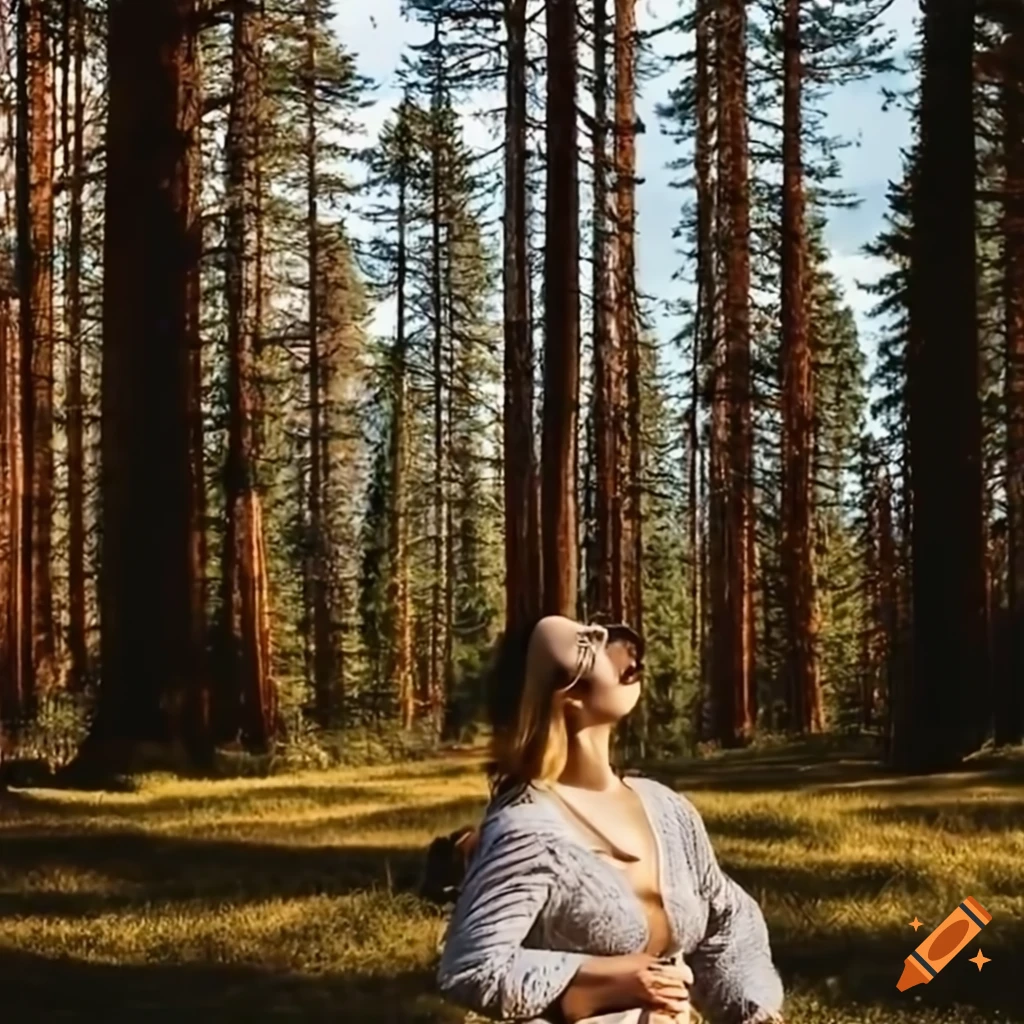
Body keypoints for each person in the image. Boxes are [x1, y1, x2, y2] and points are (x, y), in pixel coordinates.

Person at [437, 615, 785, 1024]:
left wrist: (753, 1010)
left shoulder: (668, 809)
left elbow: (727, 921)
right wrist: (594, 983)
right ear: (568, 696)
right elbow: (471, 967)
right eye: (588, 643)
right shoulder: (526, 830)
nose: (614, 642)